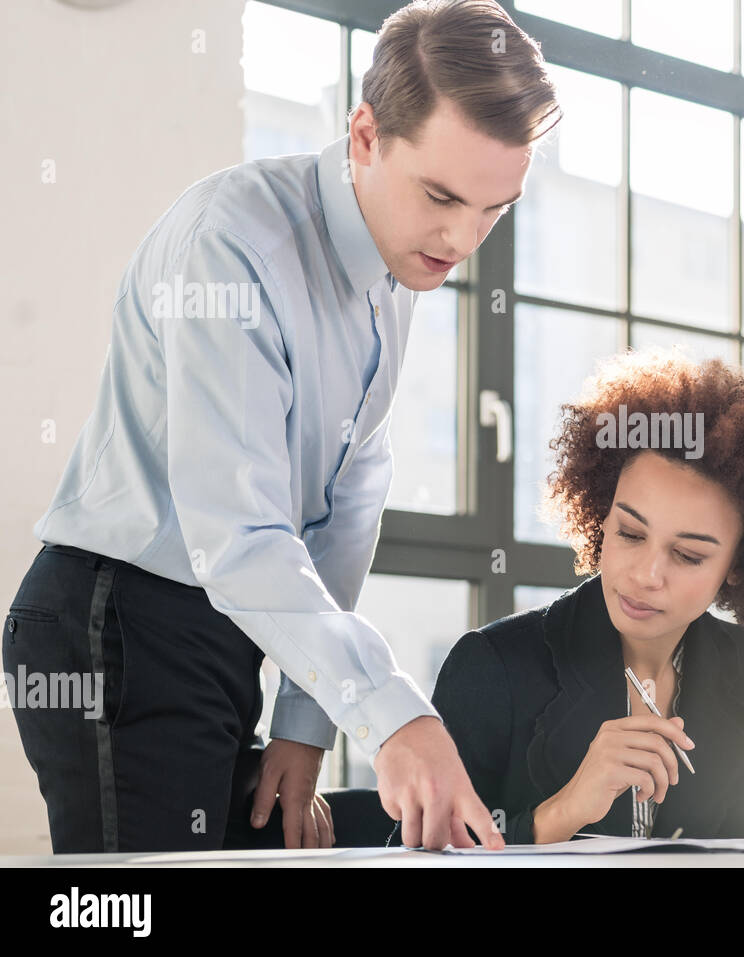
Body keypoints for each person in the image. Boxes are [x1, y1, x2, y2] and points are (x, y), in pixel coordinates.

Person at [4, 0, 559, 854]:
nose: (462, 238)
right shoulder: (235, 245)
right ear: (365, 133)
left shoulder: (398, 262)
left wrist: (305, 719)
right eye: (442, 195)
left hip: (231, 634)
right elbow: (240, 534)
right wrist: (392, 714)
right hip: (116, 618)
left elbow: (348, 504)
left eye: (495, 209)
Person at [321, 352, 744, 844]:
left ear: (738, 565)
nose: (646, 574)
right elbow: (419, 864)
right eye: (630, 534)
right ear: (599, 517)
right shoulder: (492, 668)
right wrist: (565, 810)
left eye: (687, 555)